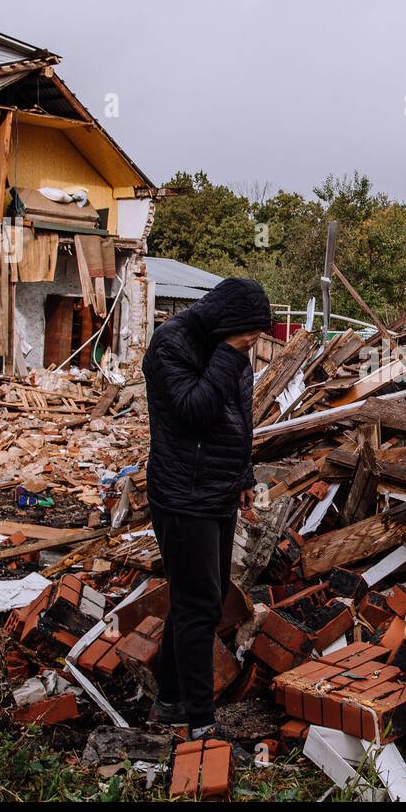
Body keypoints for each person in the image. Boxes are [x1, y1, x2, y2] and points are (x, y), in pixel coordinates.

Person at [141, 277, 271, 736]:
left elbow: (239, 418)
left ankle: (171, 699)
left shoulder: (232, 351)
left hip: (217, 491)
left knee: (203, 598)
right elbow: (196, 410)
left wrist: (244, 475)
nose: (254, 343)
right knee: (198, 606)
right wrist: (229, 352)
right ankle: (200, 724)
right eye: (250, 334)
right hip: (182, 494)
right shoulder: (171, 344)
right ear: (228, 325)